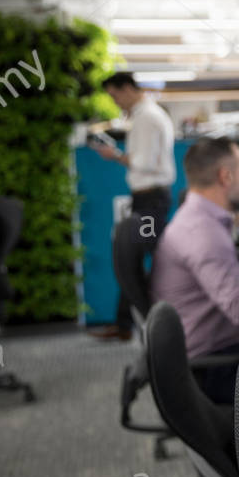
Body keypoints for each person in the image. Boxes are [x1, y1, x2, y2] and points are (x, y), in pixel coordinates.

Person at [151, 139, 239, 403]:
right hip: (214, 367)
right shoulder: (203, 232)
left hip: (203, 355)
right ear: (225, 176)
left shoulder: (196, 218)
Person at [91, 72, 176, 340]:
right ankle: (127, 323)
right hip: (146, 199)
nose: (115, 102)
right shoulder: (144, 116)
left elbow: (145, 162)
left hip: (152, 200)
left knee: (149, 260)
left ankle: (157, 321)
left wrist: (115, 156)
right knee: (129, 259)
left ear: (127, 88)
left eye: (115, 96)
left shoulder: (148, 118)